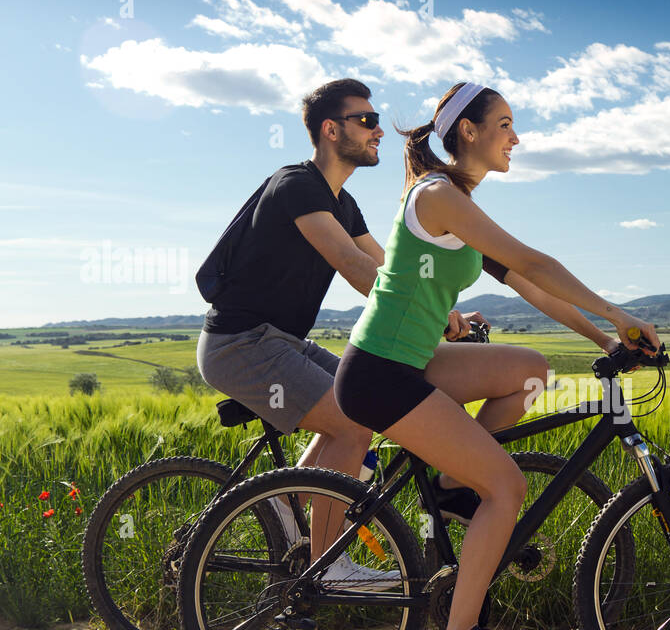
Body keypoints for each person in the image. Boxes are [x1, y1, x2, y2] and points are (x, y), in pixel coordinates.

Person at [333, 82, 661, 630]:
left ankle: (455, 487)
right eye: (505, 124)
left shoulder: (460, 204)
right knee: (508, 488)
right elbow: (536, 262)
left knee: (529, 369)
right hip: (381, 372)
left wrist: (605, 340)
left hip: (409, 360)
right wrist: (618, 312)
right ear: (469, 131)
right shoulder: (439, 196)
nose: (517, 137)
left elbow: (529, 285)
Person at [194, 79, 493, 585]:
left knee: (364, 400)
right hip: (241, 344)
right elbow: (355, 266)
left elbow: (390, 266)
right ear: (331, 130)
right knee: (353, 422)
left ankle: (289, 515)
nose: (379, 130)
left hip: (279, 342)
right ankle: (326, 563)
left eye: (377, 120)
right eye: (366, 120)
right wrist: (428, 312)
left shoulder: (343, 202)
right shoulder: (296, 185)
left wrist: (449, 312)